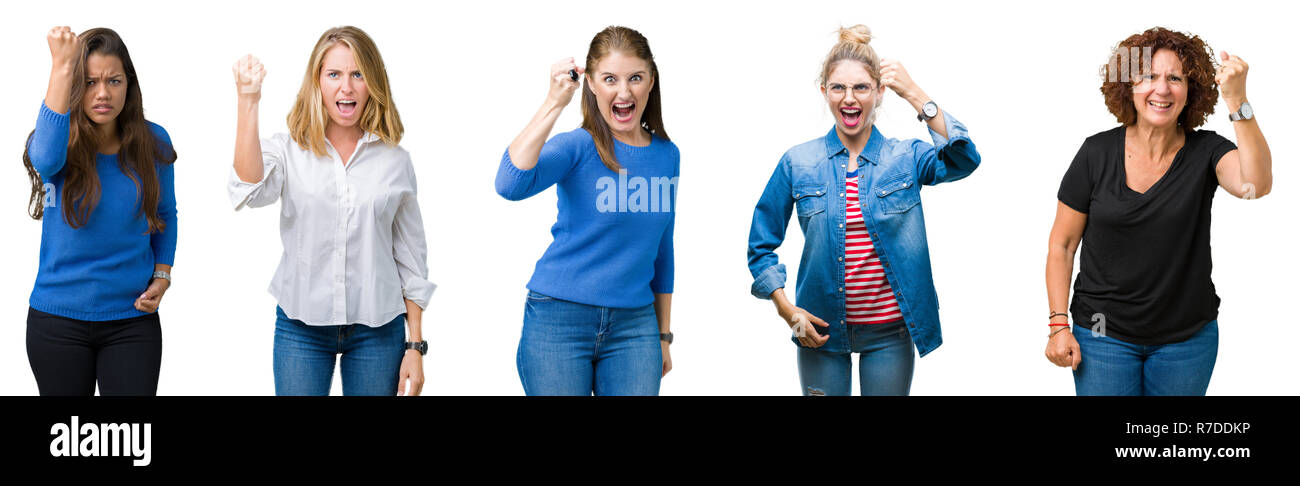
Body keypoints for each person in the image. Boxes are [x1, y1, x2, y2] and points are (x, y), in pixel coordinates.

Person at [747, 25, 980, 396]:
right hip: (819, 332)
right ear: (824, 91)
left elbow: (964, 159)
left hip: (890, 332)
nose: (849, 98)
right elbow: (760, 246)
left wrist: (916, 95)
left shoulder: (906, 157)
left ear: (880, 92)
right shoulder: (798, 162)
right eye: (838, 87)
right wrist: (786, 310)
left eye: (861, 87)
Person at [1044, 27, 1272, 396]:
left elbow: (1256, 185)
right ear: (1128, 87)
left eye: (1175, 78)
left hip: (1186, 339)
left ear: (1191, 90)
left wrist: (1237, 101)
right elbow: (1063, 245)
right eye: (1148, 76)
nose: (1161, 89)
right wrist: (1058, 326)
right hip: (1101, 330)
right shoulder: (1095, 154)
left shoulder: (1207, 151)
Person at [229, 26, 434, 396]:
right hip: (300, 329)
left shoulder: (395, 161)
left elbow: (412, 262)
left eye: (358, 74)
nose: (347, 87)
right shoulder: (289, 150)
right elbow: (251, 187)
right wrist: (248, 100)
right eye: (334, 74)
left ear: (373, 82)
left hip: (378, 331)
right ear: (317, 81)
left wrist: (415, 347)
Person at [496, 26, 677, 396]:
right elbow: (509, 183)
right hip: (558, 320)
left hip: (635, 326)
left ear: (651, 81)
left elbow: (662, 249)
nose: (623, 92)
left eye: (635, 78)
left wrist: (663, 334)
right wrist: (554, 102)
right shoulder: (576, 147)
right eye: (610, 79)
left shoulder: (667, 155)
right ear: (591, 84)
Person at [23, 27, 178, 396]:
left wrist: (163, 275)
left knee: (126, 442)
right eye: (89, 82)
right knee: (70, 442)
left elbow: (165, 214)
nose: (103, 93)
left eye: (113, 80)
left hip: (132, 322)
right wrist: (62, 66)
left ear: (129, 84)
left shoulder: (154, 142)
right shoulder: (57, 140)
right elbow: (43, 159)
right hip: (56, 322)